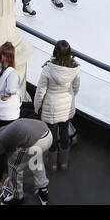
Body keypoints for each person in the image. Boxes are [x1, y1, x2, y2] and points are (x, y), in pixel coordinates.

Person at [33, 39, 81, 172]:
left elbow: (40, 91)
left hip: (51, 107)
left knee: (52, 134)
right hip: (66, 107)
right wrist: (69, 98)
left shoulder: (48, 69)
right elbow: (76, 88)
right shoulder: (74, 68)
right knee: (64, 132)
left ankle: (52, 164)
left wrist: (37, 106)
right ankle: (64, 162)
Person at [0, 116, 53, 205]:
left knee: (14, 166)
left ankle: (17, 197)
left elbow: (0, 163)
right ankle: (43, 189)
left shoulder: (0, 139)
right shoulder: (9, 127)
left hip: (35, 141)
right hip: (47, 135)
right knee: (35, 161)